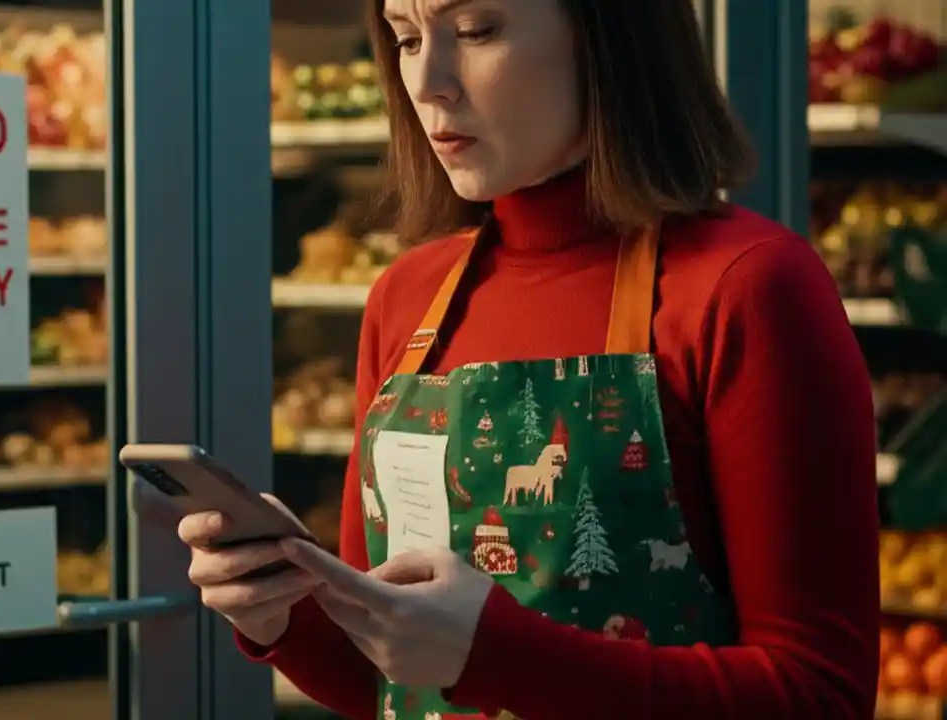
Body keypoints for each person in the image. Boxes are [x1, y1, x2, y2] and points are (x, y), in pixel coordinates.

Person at [174, 1, 880, 718]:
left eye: (475, 31)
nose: (428, 82)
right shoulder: (405, 298)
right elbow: (386, 681)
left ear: (606, 35)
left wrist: (498, 658)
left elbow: (819, 695)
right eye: (406, 39)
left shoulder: (749, 288)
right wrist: (281, 614)